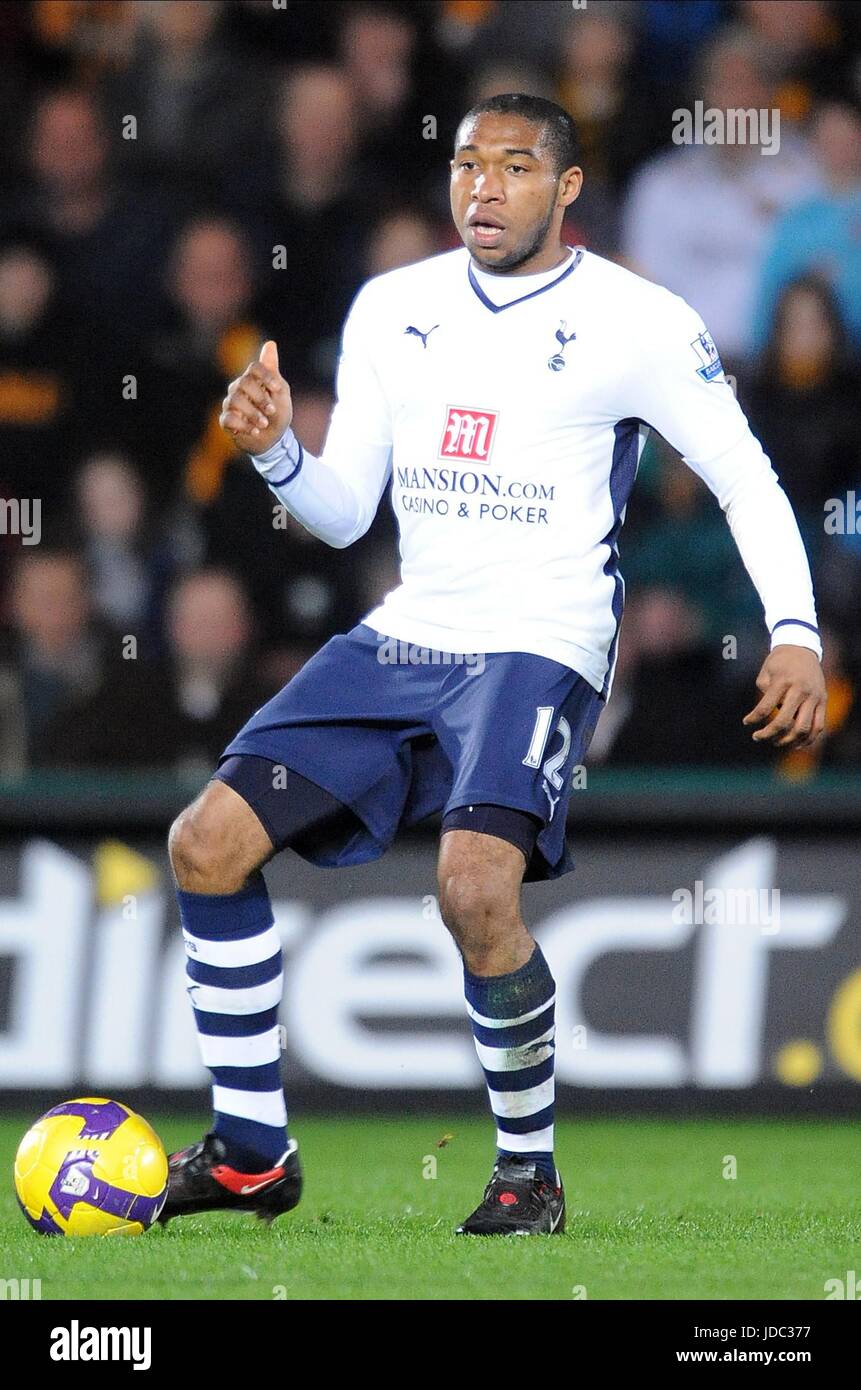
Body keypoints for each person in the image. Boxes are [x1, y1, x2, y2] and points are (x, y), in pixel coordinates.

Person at [162, 94, 826, 1237]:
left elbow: (745, 477)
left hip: (541, 634)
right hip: (411, 628)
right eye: (469, 163)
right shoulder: (393, 307)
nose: (483, 186)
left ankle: (529, 1174)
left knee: (474, 887)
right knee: (204, 846)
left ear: (567, 190)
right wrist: (277, 451)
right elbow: (341, 511)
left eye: (516, 168)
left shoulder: (640, 321)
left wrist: (797, 630)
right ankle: (252, 1155)